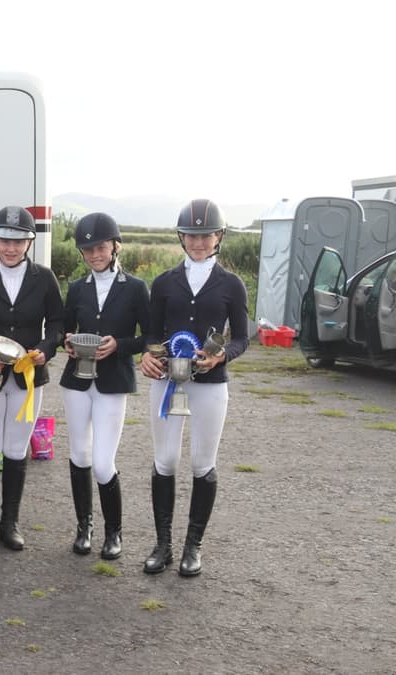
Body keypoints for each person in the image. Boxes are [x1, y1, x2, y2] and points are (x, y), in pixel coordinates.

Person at [139, 199, 248, 577]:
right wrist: (148, 356)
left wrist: (222, 357)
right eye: (192, 235)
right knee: (165, 460)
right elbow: (152, 333)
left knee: (203, 463)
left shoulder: (231, 284)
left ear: (218, 237)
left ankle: (193, 547)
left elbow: (242, 339)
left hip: (210, 385)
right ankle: (163, 545)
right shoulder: (165, 282)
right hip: (169, 381)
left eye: (206, 235)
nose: (199, 242)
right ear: (181, 237)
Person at [0, 206, 64, 552]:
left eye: (18, 240)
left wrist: (44, 349)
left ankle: (10, 522)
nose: (11, 247)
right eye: (5, 240)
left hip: (27, 375)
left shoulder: (44, 278)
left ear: (28, 242)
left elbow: (56, 324)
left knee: (16, 448)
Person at [59, 213, 150, 560]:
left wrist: (120, 345)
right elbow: (66, 330)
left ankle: (114, 531)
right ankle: (84, 527)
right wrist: (67, 343)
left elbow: (151, 335)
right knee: (79, 455)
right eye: (87, 249)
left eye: (100, 247)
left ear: (114, 246)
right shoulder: (77, 289)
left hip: (113, 381)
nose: (94, 254)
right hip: (76, 381)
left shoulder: (137, 288)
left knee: (101, 462)